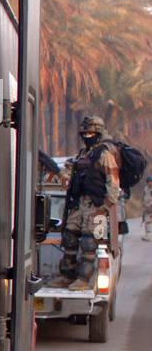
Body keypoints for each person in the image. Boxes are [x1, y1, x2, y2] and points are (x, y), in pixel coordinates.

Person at [50, 114, 122, 289]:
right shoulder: (83, 154)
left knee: (90, 243)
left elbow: (113, 184)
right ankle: (67, 275)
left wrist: (105, 207)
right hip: (78, 203)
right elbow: (69, 172)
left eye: (90, 134)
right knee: (69, 237)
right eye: (84, 134)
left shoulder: (105, 153)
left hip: (97, 206)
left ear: (98, 133)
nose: (86, 137)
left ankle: (83, 279)